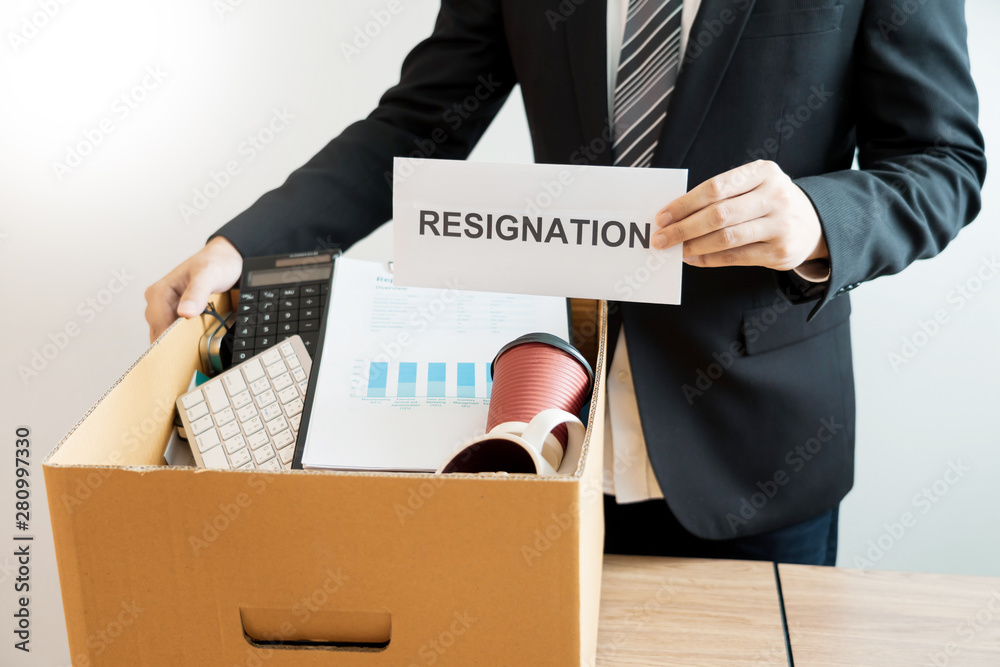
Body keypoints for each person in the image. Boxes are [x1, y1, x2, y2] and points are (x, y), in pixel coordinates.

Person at [146, 0, 986, 565]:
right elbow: (416, 125)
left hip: (757, 454)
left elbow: (943, 162)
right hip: (545, 442)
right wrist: (241, 246)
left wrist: (817, 217)